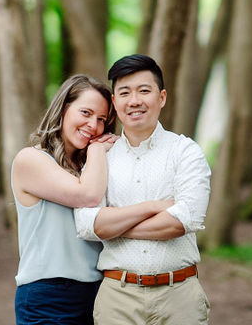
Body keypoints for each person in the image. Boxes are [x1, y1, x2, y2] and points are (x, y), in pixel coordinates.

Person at [74, 54, 211, 325]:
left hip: (179, 296)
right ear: (114, 102)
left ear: (162, 97)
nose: (134, 100)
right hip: (117, 299)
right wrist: (154, 208)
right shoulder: (100, 156)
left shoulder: (185, 151)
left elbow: (185, 220)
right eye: (125, 93)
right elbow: (87, 225)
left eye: (144, 91)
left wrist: (114, 225)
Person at [12, 74, 118, 325]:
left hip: (98, 294)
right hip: (48, 299)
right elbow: (88, 195)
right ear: (63, 109)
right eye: (86, 113)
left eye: (101, 119)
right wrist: (97, 149)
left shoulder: (92, 167)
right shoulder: (30, 159)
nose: (93, 125)